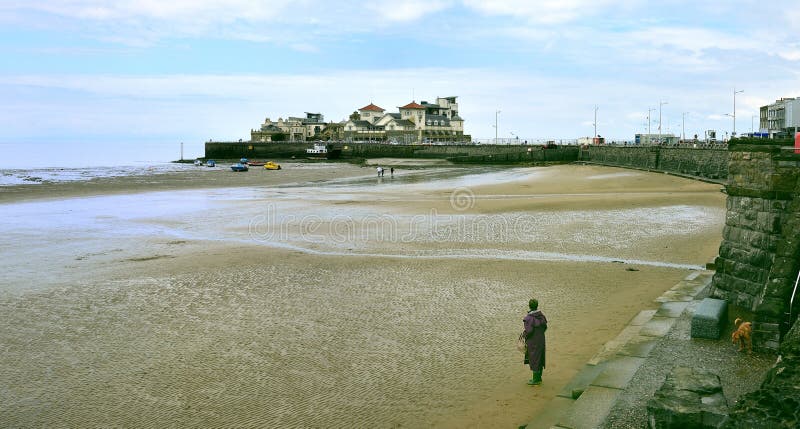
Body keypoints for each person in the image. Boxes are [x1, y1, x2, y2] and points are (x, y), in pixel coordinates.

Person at [523, 298, 547, 385]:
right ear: (537, 306)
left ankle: (535, 380)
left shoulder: (528, 318)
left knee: (534, 358)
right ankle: (539, 378)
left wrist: (524, 336)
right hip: (541, 339)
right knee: (540, 357)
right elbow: (545, 327)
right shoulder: (541, 316)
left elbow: (529, 331)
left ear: (529, 306)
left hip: (533, 341)